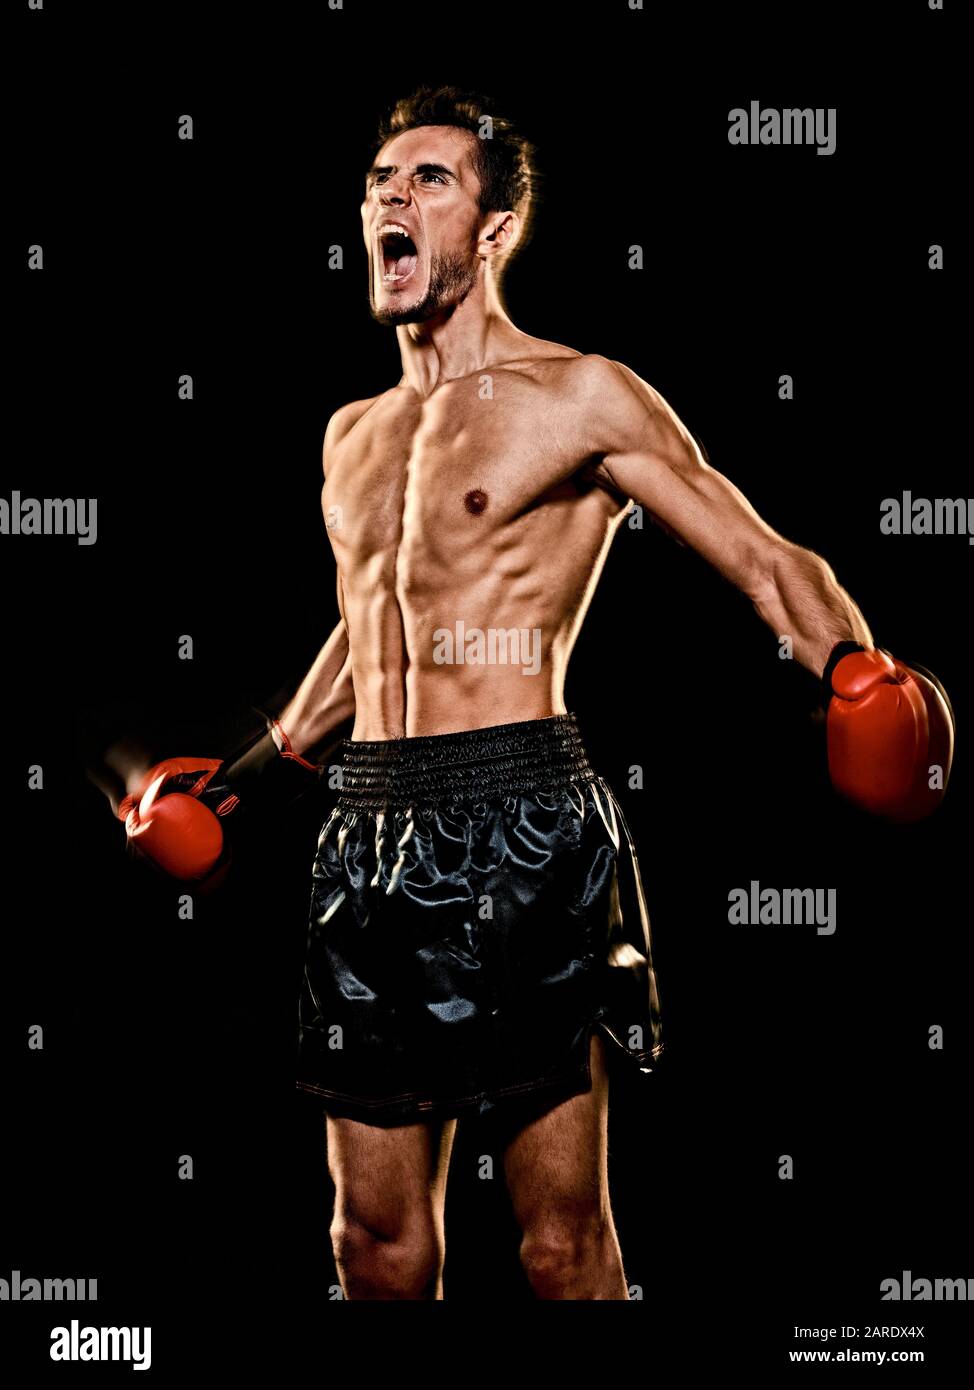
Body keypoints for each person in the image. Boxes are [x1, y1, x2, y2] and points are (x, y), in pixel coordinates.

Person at [113, 86, 954, 1300]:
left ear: (494, 228)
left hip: (522, 826)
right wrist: (251, 769)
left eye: (430, 181)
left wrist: (852, 666)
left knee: (560, 1248)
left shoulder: (579, 395)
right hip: (365, 833)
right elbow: (369, 630)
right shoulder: (350, 434)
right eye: (377, 182)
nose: (390, 199)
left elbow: (763, 556)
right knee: (372, 1249)